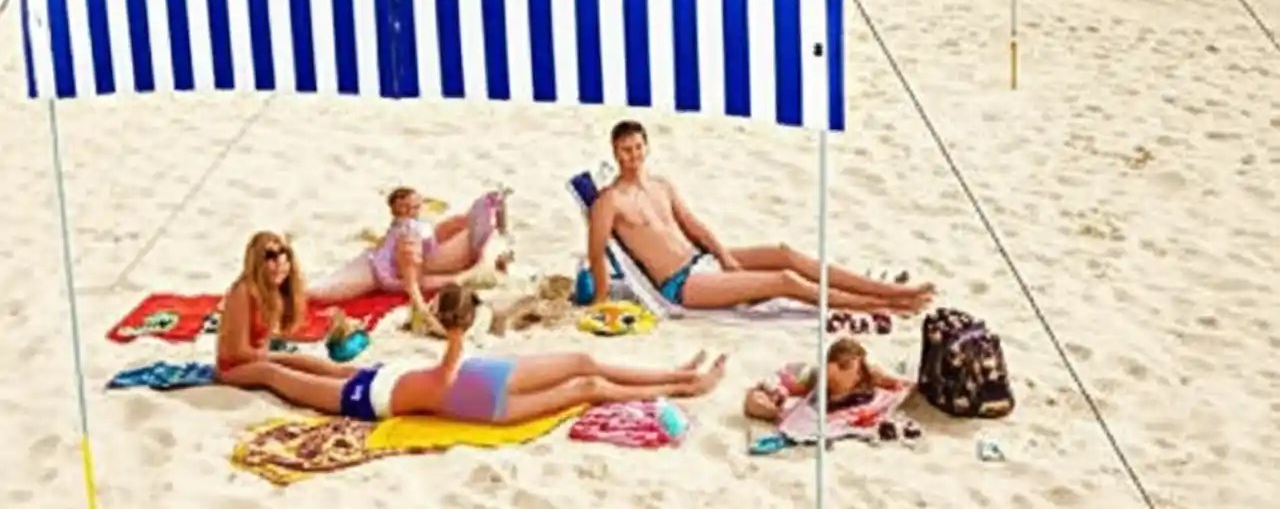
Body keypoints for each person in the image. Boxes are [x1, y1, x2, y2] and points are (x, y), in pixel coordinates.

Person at [222, 283, 728, 424]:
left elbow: (443, 374)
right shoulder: (450, 358)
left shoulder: (451, 356)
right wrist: (456, 339)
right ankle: (684, 383)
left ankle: (680, 377)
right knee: (587, 383)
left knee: (584, 368)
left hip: (427, 384)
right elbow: (442, 376)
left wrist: (455, 339)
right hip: (461, 390)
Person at [586, 120, 935, 313]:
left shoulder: (662, 185)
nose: (633, 155)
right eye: (625, 150)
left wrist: (724, 257)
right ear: (615, 153)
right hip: (682, 284)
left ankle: (893, 290)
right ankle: (880, 304)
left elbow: (695, 228)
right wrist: (601, 297)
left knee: (784, 253)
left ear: (646, 147)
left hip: (703, 261)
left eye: (637, 147)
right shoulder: (610, 200)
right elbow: (597, 251)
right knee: (783, 279)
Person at [308, 186, 513, 317]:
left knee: (325, 287)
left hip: (392, 262)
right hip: (385, 268)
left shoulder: (420, 229)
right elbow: (412, 280)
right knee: (323, 290)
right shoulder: (411, 234)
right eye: (412, 207)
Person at [216, 231, 358, 382]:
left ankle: (363, 375)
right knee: (274, 370)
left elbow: (274, 336)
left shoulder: (273, 293)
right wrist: (275, 357)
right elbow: (238, 352)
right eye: (270, 257)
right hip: (232, 368)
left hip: (256, 359)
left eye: (284, 259)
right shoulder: (243, 292)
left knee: (305, 362)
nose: (279, 266)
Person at [743, 337, 911, 422]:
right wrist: (776, 400)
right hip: (804, 386)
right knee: (756, 402)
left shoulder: (869, 377)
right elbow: (787, 387)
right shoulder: (818, 378)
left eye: (845, 366)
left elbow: (905, 386)